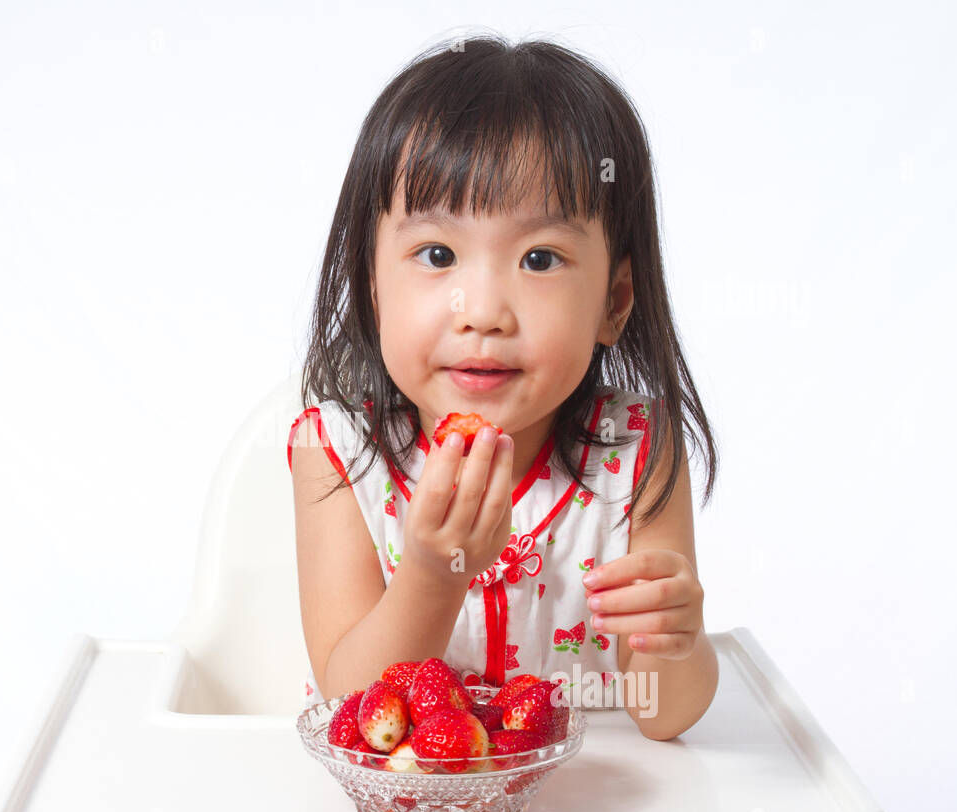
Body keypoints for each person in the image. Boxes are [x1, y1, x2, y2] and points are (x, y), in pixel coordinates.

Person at [286, 33, 721, 740]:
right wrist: (433, 570)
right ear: (372, 287)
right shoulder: (334, 451)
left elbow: (664, 716)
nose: (483, 311)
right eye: (437, 254)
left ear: (614, 301)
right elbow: (352, 705)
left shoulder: (636, 451)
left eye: (539, 258)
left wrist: (678, 639)